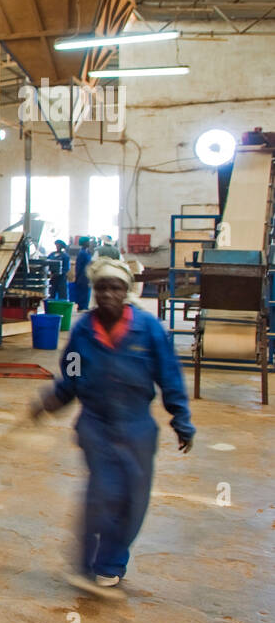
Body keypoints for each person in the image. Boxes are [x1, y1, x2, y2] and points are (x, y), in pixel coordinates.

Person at [29, 256, 195, 598]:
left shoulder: (148, 330)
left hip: (136, 427)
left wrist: (181, 419)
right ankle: (86, 566)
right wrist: (52, 400)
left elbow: (169, 376)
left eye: (115, 288)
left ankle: (110, 566)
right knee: (102, 495)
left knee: (132, 501)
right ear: (94, 291)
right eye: (101, 287)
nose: (107, 294)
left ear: (127, 292)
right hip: (97, 425)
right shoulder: (82, 331)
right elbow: (71, 376)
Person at [70, 237, 93, 311]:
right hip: (82, 276)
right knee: (82, 291)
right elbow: (78, 266)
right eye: (88, 242)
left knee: (87, 291)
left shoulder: (87, 252)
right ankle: (81, 307)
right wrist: (77, 276)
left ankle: (85, 306)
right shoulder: (82, 253)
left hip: (88, 275)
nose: (89, 243)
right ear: (84, 243)